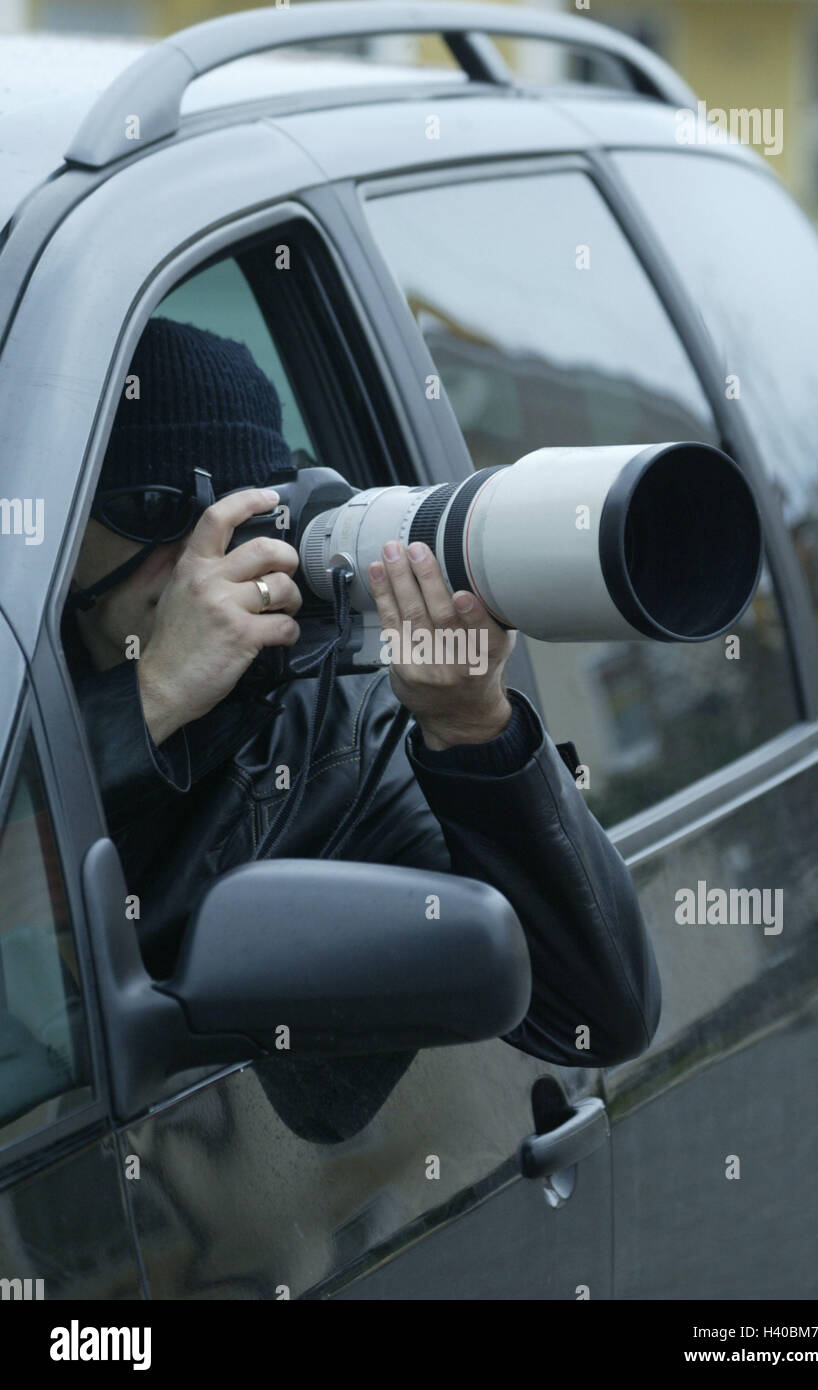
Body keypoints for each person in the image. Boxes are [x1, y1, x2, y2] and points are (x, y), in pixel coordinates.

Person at [63, 317, 661, 1139]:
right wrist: (151, 697)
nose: (202, 558)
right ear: (64, 524)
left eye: (241, 521)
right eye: (152, 509)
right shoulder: (23, 669)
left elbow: (597, 1019)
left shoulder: (346, 734)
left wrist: (473, 731)